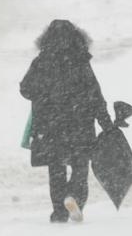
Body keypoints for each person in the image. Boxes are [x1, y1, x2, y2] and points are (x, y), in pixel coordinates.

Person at [20, 19, 114, 223]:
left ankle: (59, 212)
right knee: (80, 167)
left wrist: (44, 95)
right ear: (76, 37)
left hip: (50, 125)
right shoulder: (81, 61)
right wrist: (105, 122)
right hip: (80, 124)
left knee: (56, 170)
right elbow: (95, 94)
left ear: (47, 38)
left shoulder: (41, 62)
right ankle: (74, 197)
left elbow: (25, 89)